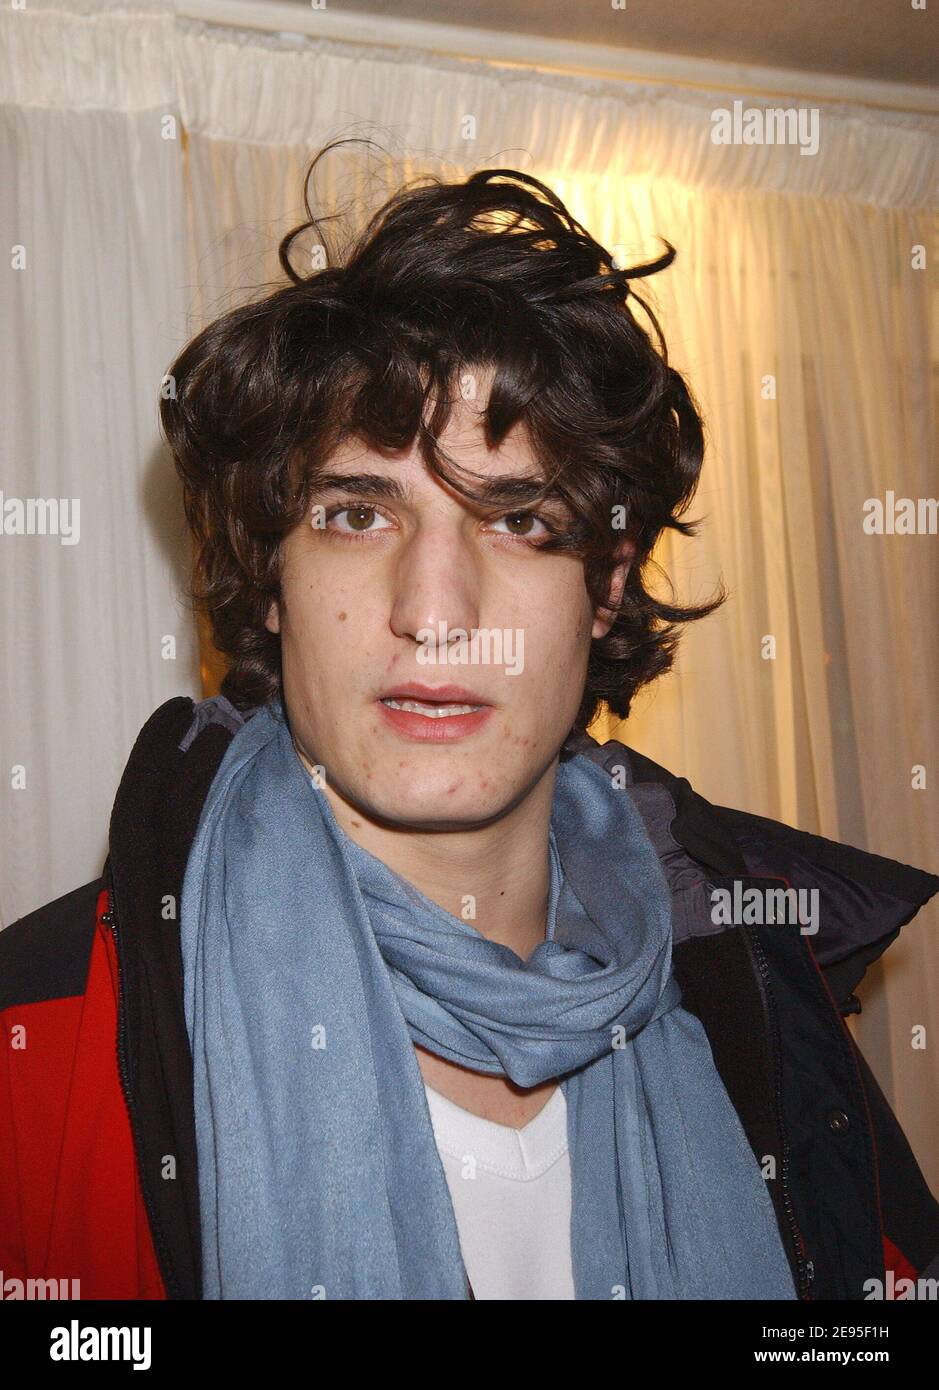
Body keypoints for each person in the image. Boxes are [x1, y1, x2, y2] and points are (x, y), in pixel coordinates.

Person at [2, 149, 937, 1302]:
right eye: (354, 513)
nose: (434, 615)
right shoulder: (36, 1040)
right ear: (273, 581)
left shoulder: (768, 1008)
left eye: (519, 521)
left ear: (605, 586)